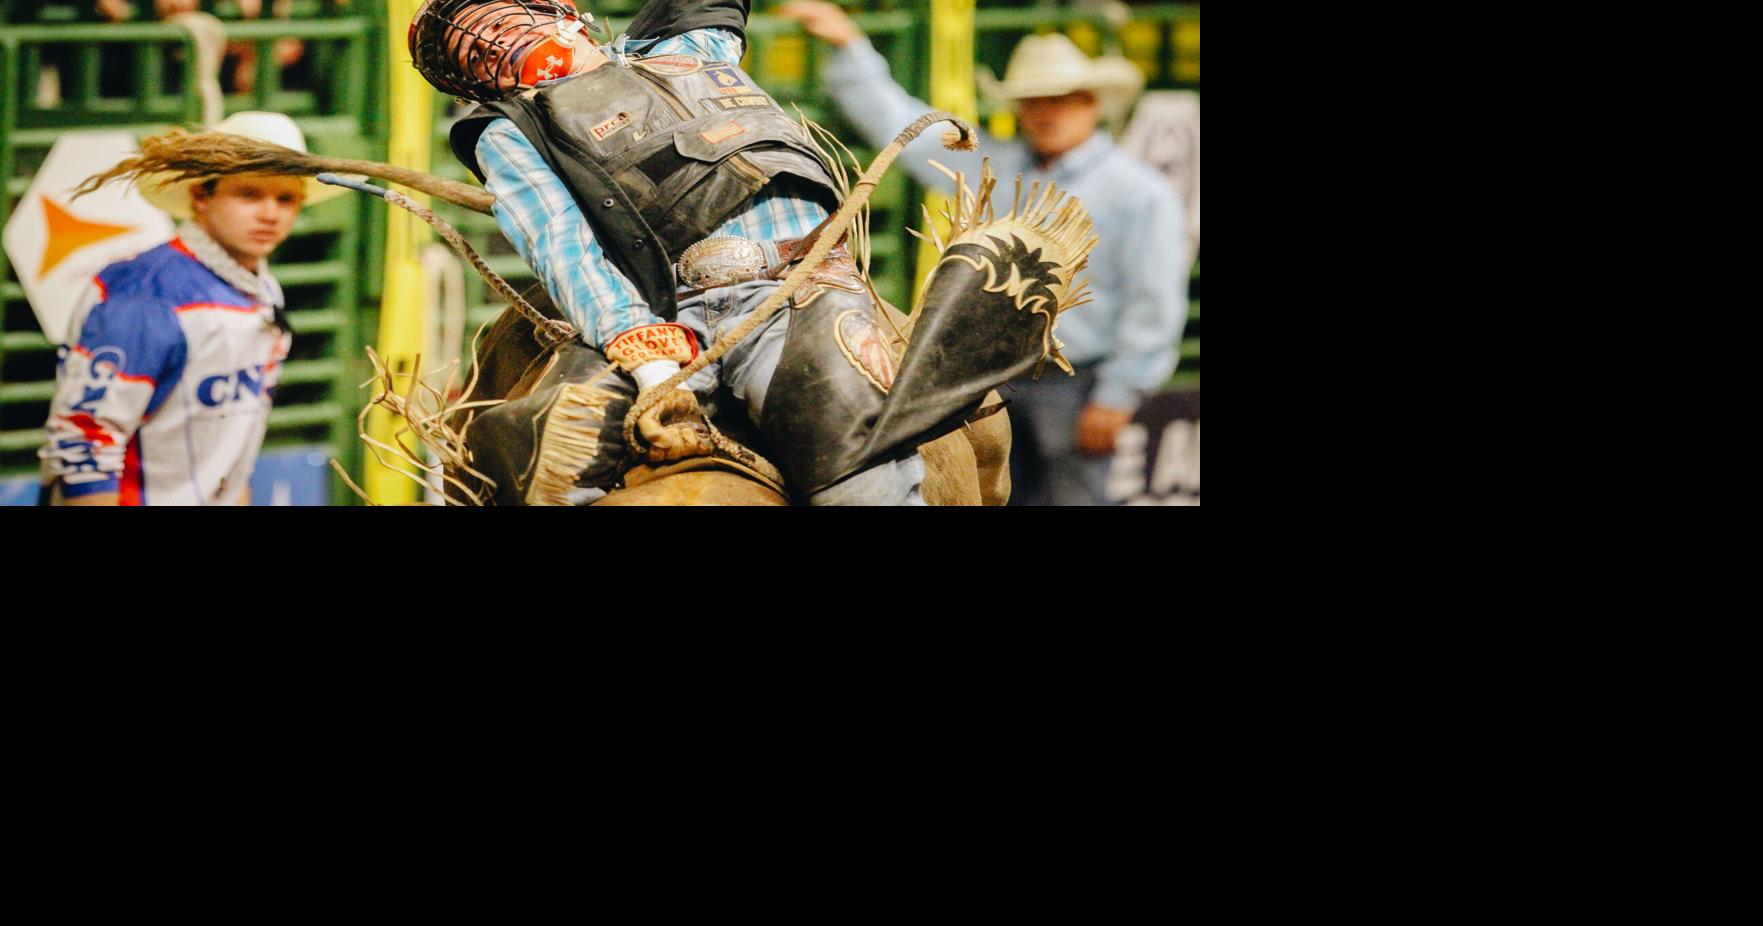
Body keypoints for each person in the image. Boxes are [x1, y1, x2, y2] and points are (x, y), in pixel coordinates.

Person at [410, 0, 942, 505]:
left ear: (561, 13)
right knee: (542, 458)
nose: (494, 49)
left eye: (495, 25)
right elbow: (561, 246)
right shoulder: (509, 133)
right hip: (669, 310)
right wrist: (642, 350)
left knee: (858, 471)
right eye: (475, 58)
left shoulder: (693, 47)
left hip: (798, 293)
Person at [778, 0, 1189, 505]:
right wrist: (850, 46)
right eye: (1034, 100)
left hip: (1077, 380)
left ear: (1091, 103)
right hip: (991, 379)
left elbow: (1155, 304)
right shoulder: (1002, 167)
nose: (1046, 112)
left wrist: (1118, 396)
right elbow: (902, 125)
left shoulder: (1137, 193)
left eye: (1061, 99)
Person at [39, 112, 344, 505]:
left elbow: (234, 445)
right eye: (250, 194)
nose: (271, 214)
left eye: (286, 198)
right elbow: (84, 440)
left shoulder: (263, 289)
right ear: (202, 195)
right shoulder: (146, 295)